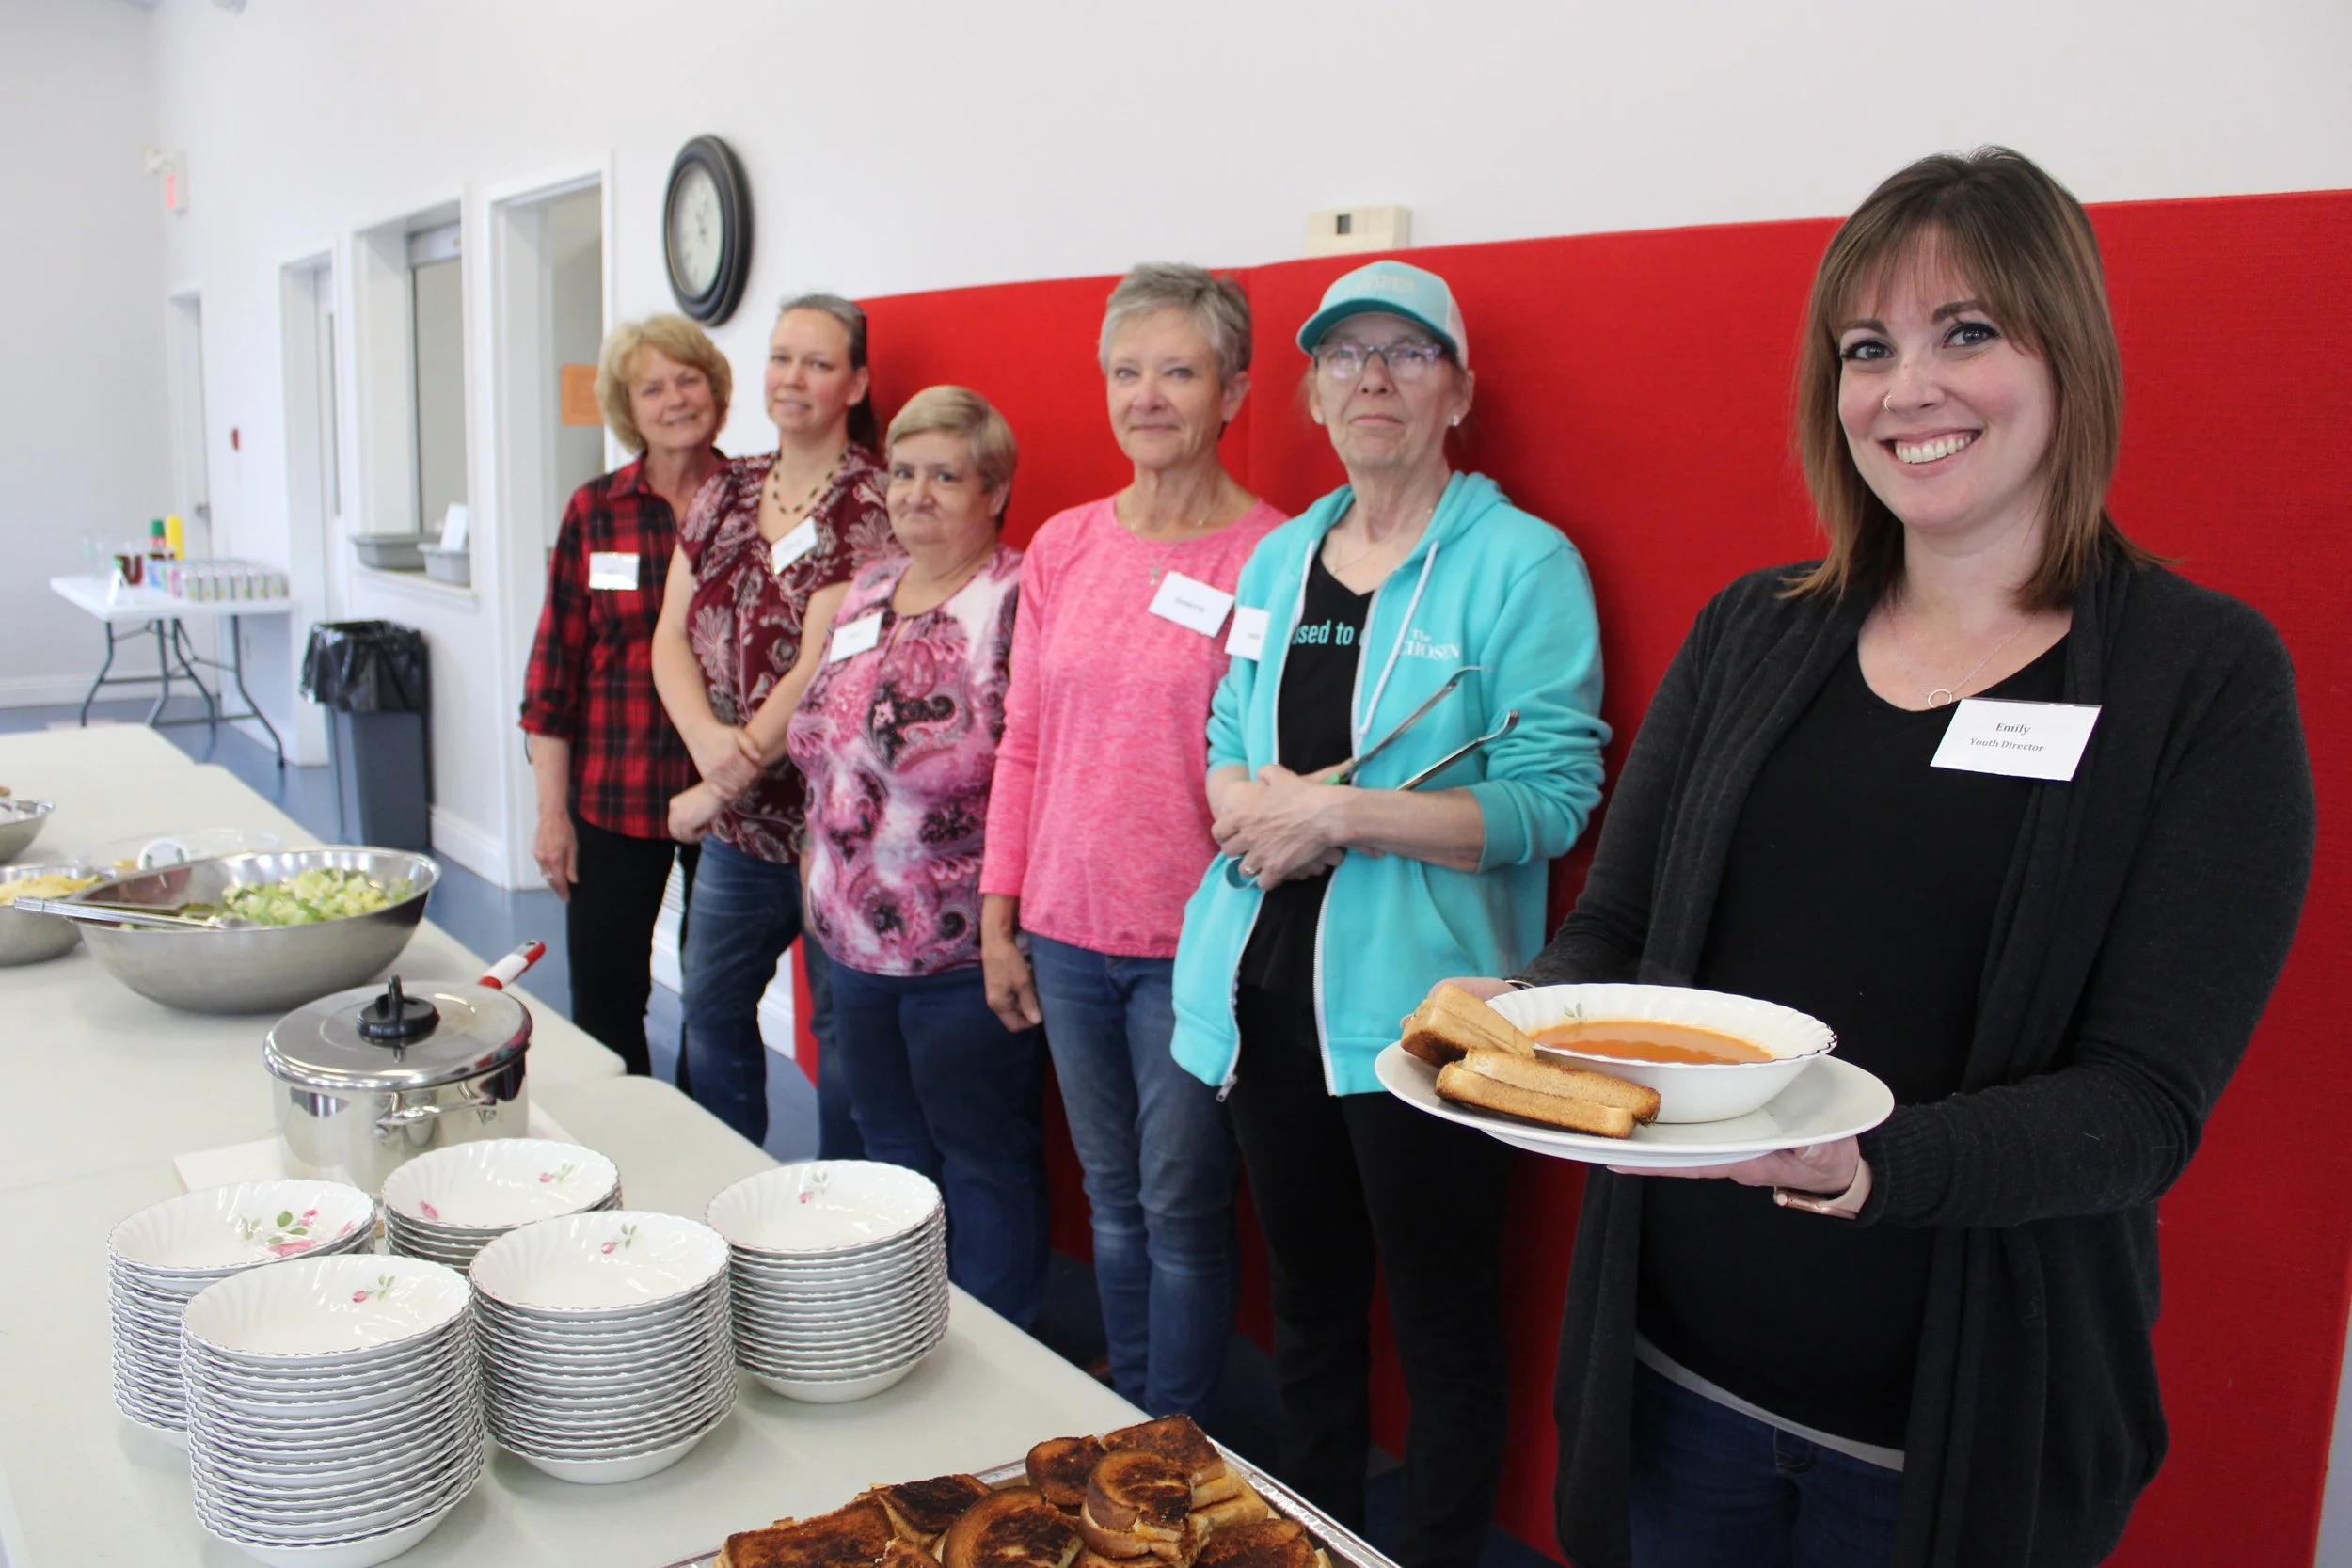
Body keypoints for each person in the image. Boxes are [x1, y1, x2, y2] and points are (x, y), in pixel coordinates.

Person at [1434, 149, 2314, 1568]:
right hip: (1677, 1383)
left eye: (1966, 332)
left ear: (2069, 354)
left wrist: (1874, 1161)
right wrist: (1526, 1015)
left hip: (1952, 1429)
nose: (1908, 388)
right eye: (1867, 348)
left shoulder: (2199, 677)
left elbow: (2146, 1101)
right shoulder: (1752, 632)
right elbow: (1618, 932)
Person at [1168, 259, 1611, 1568]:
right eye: (1346, 356)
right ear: (1311, 392)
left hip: (1424, 1017)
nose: (1374, 378)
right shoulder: (1279, 558)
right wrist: (1237, 797)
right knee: (1308, 1302)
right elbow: (1227, 726)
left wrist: (1341, 816)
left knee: (1442, 1319)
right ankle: (1313, 1537)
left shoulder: (1524, 565)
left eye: (1409, 354)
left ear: (1457, 390)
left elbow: (1551, 800)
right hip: (1264, 997)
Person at [979, 263, 1286, 1413]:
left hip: (1193, 940)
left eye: (1177, 371)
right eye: (1125, 371)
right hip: (1064, 929)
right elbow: (1023, 740)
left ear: (1233, 390)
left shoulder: (1270, 555)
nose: (1146, 396)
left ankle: (1176, 1435)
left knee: (1182, 1203)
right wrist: (1000, 911)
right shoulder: (1063, 546)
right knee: (1110, 1198)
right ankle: (1128, 1416)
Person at [786, 386, 1047, 1327]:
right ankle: (900, 1331)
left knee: (981, 1160)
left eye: (945, 475)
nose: (917, 494)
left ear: (994, 491)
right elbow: (822, 746)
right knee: (886, 1148)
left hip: (960, 955)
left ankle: (994, 1352)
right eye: (903, 472)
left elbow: (1033, 766)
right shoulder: (864, 590)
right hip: (847, 944)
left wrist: (1003, 926)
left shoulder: (1016, 598)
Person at [651, 293, 897, 1153]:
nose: (793, 378)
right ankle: (731, 1188)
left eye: (817, 363)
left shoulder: (872, 499)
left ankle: (833, 1210)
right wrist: (708, 749)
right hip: (740, 824)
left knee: (842, 1037)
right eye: (781, 357)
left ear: (855, 383)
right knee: (710, 1007)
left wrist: (721, 776)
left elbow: (823, 660)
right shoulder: (726, 487)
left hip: (836, 824)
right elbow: (670, 634)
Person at [518, 314, 723, 1077]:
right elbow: (553, 676)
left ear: (715, 389)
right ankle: (623, 1136)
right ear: (628, 409)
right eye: (652, 388)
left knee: (718, 1004)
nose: (675, 399)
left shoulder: (755, 506)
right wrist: (552, 814)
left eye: (688, 379)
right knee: (607, 1002)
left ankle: (707, 1137)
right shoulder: (594, 510)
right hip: (614, 795)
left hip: (729, 798)